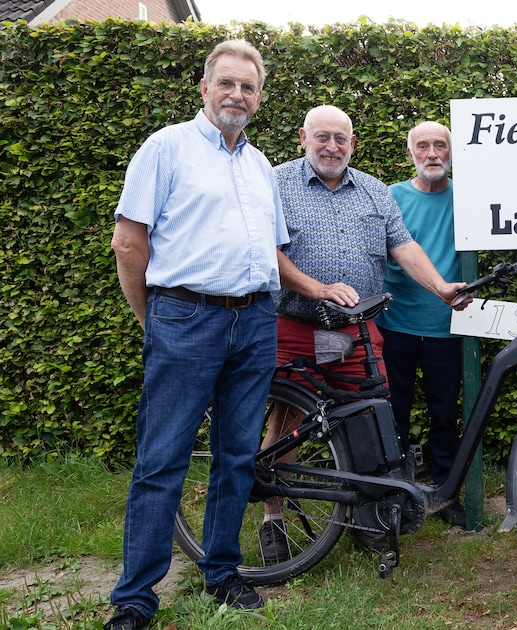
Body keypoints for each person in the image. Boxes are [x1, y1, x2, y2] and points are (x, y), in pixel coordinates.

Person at [107, 40, 287, 630]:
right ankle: (135, 598)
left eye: (249, 86)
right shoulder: (166, 147)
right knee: (162, 461)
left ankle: (222, 572)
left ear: (259, 98)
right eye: (227, 83)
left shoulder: (261, 166)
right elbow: (130, 244)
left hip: (255, 321)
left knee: (238, 457)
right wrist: (154, 319)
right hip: (185, 318)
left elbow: (272, 250)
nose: (238, 94)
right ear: (205, 88)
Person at [261, 107, 468, 558]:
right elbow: (264, 249)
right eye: (322, 137)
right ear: (303, 137)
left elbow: (404, 246)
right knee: (286, 422)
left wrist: (440, 288)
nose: (332, 146)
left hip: (356, 331)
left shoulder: (374, 191)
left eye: (341, 139)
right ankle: (273, 518)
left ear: (352, 144)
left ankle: (367, 517)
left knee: (367, 421)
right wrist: (318, 289)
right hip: (296, 325)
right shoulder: (275, 183)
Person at [375, 121, 467, 528]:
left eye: (441, 146)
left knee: (445, 413)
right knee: (392, 411)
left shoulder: (470, 199)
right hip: (394, 323)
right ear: (410, 152)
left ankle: (445, 491)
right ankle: (395, 495)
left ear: (451, 152)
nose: (433, 154)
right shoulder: (391, 197)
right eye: (424, 146)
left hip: (447, 326)